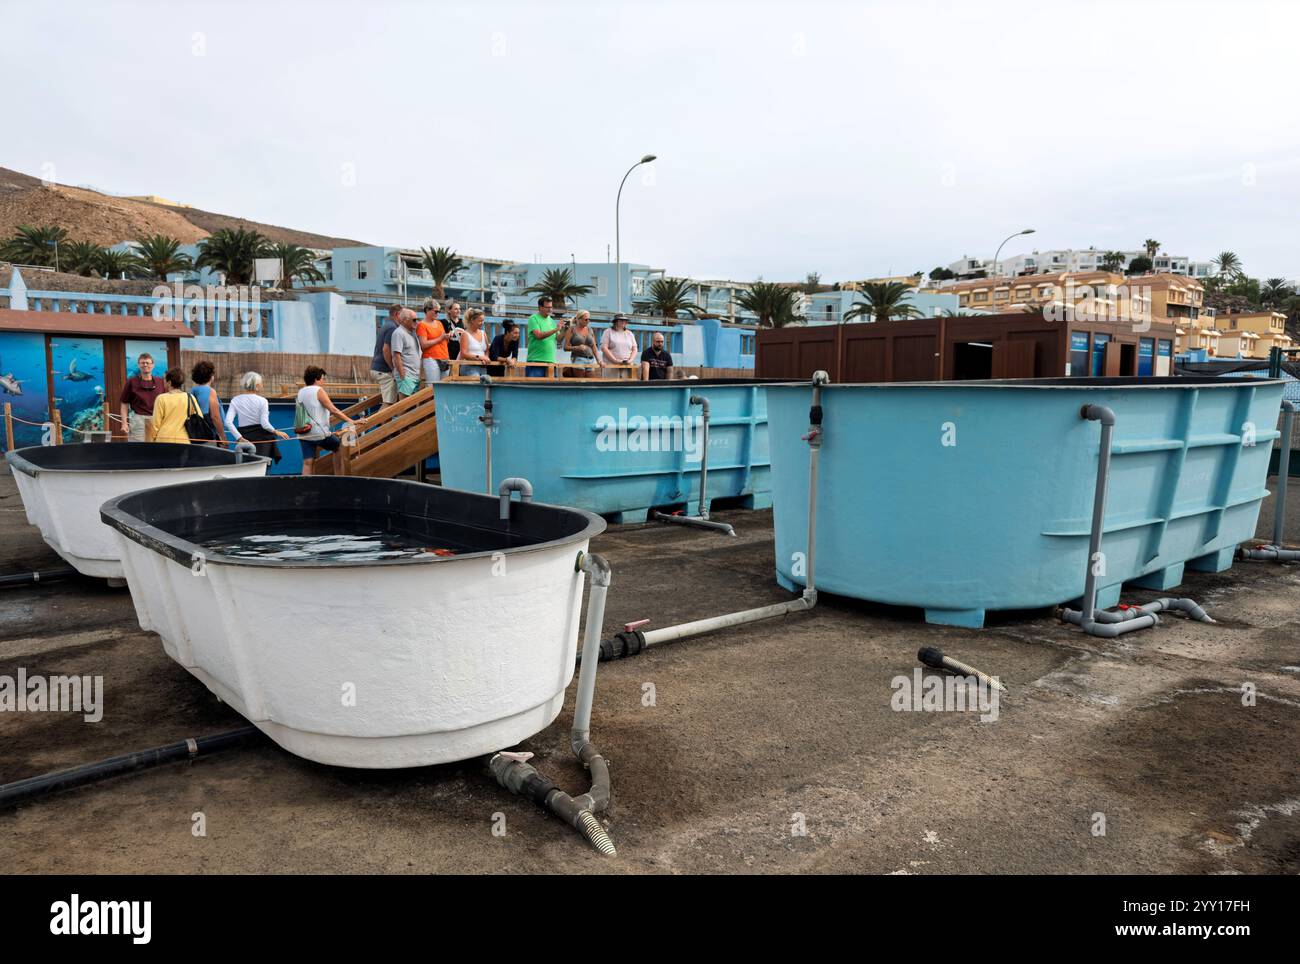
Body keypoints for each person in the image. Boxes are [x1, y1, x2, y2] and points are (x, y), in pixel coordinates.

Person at [296, 366, 357, 476]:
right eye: (322, 379)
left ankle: (305, 487)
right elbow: (333, 409)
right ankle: (338, 477)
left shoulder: (301, 392)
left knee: (308, 462)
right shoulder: (319, 390)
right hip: (319, 433)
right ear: (316, 379)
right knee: (338, 447)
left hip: (303, 432)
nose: (323, 381)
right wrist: (351, 421)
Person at [225, 371, 290, 463]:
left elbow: (228, 422)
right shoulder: (263, 401)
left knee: (244, 465)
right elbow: (264, 424)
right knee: (263, 465)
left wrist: (239, 438)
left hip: (244, 437)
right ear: (258, 385)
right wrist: (276, 431)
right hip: (262, 439)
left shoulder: (235, 400)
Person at [118, 352, 165, 441]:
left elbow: (166, 403)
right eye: (142, 363)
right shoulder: (131, 382)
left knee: (157, 449)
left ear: (153, 365)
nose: (145, 365)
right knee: (137, 449)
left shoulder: (160, 382)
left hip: (157, 421)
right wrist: (124, 423)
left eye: (148, 363)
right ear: (138, 365)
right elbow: (124, 403)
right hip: (138, 420)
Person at [188, 360, 228, 446]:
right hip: (209, 434)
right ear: (210, 376)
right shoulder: (210, 391)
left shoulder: (191, 391)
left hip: (194, 434)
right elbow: (215, 417)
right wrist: (223, 437)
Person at [525, 296, 567, 378]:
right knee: (534, 388)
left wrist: (564, 330)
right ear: (540, 308)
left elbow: (558, 339)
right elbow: (539, 335)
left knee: (551, 390)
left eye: (551, 307)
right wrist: (556, 329)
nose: (550, 309)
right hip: (535, 361)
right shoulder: (533, 318)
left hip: (551, 361)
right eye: (547, 307)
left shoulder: (551, 321)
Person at [147, 368, 192, 443]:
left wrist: (151, 441)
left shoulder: (161, 398)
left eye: (164, 379)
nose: (163, 381)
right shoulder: (190, 397)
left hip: (164, 439)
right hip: (184, 440)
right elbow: (198, 417)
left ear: (169, 383)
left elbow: (155, 424)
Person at [369, 304, 401, 405]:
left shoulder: (387, 325)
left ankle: (382, 421)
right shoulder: (392, 328)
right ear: (397, 314)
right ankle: (374, 421)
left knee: (388, 402)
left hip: (376, 368)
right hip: (384, 370)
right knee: (389, 404)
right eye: (403, 315)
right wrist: (393, 368)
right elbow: (386, 350)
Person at [389, 308, 423, 398]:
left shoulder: (413, 333)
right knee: (404, 408)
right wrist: (402, 375)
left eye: (417, 319)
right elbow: (396, 355)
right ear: (404, 320)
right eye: (414, 320)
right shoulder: (398, 333)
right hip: (406, 377)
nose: (417, 322)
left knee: (411, 407)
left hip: (414, 377)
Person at [416, 299, 449, 385]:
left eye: (439, 311)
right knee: (432, 387)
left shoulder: (439, 323)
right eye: (435, 311)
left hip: (444, 356)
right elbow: (423, 345)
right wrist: (440, 339)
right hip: (431, 358)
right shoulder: (422, 325)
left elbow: (443, 340)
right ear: (427, 310)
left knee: (444, 387)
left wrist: (447, 337)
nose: (438, 313)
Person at [456, 309, 492, 377]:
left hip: (482, 367)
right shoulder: (465, 334)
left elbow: (487, 349)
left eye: (483, 321)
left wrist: (486, 357)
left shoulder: (483, 333)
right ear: (472, 320)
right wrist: (481, 357)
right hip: (469, 367)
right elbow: (464, 354)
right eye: (480, 321)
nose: (482, 323)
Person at [564, 310, 599, 375]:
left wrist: (599, 360)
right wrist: (577, 347)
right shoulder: (571, 329)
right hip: (578, 358)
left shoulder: (590, 330)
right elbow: (565, 347)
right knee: (580, 382)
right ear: (579, 319)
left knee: (590, 383)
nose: (588, 321)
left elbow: (594, 346)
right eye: (586, 319)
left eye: (589, 319)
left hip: (590, 359)